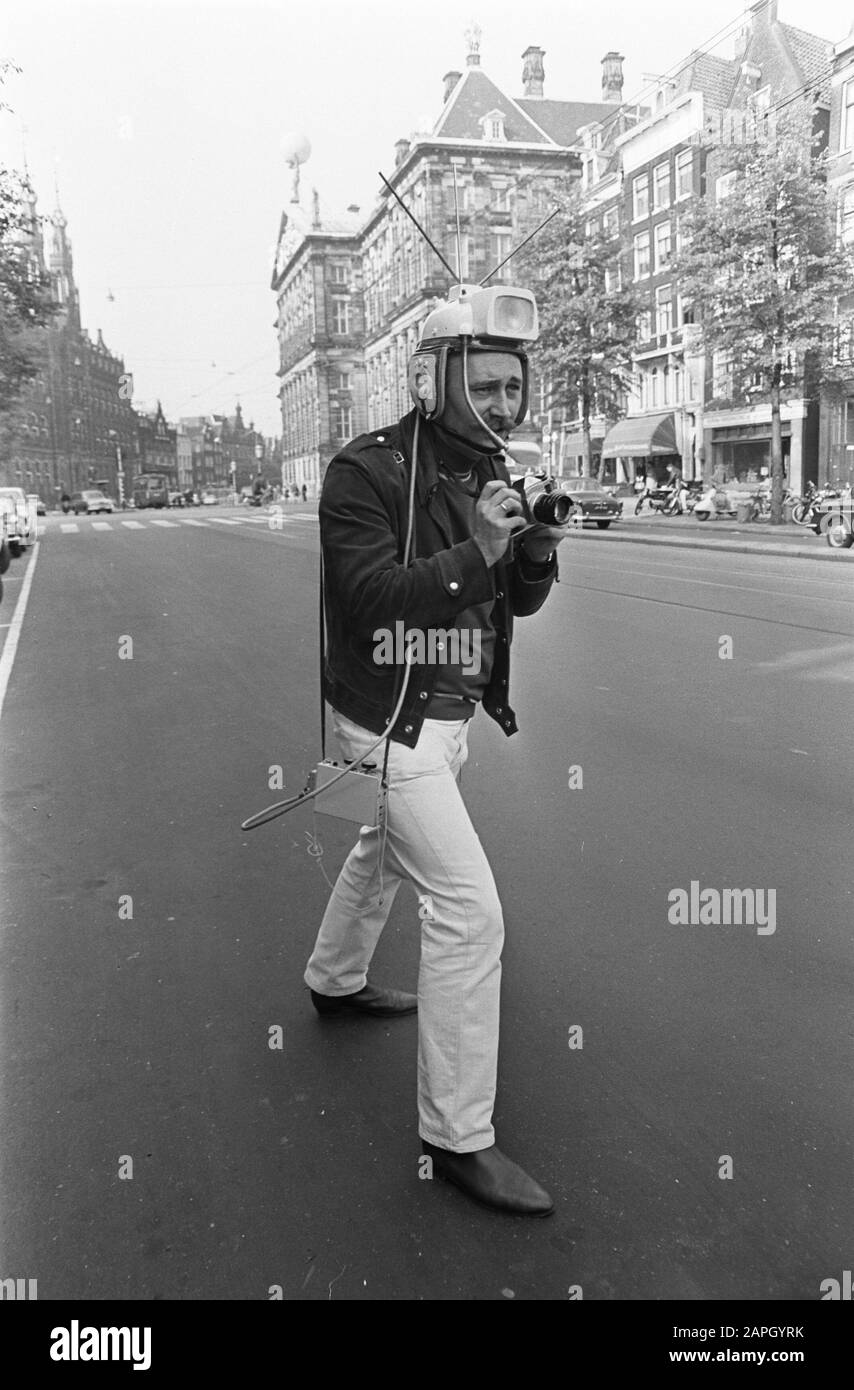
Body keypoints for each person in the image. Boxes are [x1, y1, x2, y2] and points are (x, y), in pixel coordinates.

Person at [304, 283, 570, 1216]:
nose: (503, 404)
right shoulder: (364, 473)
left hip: (450, 714)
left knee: (381, 855)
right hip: (390, 719)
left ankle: (332, 981)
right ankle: (457, 1137)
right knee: (468, 910)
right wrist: (481, 554)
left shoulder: (491, 466)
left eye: (513, 386)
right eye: (485, 384)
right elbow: (371, 600)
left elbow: (512, 602)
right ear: (434, 379)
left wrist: (529, 553)